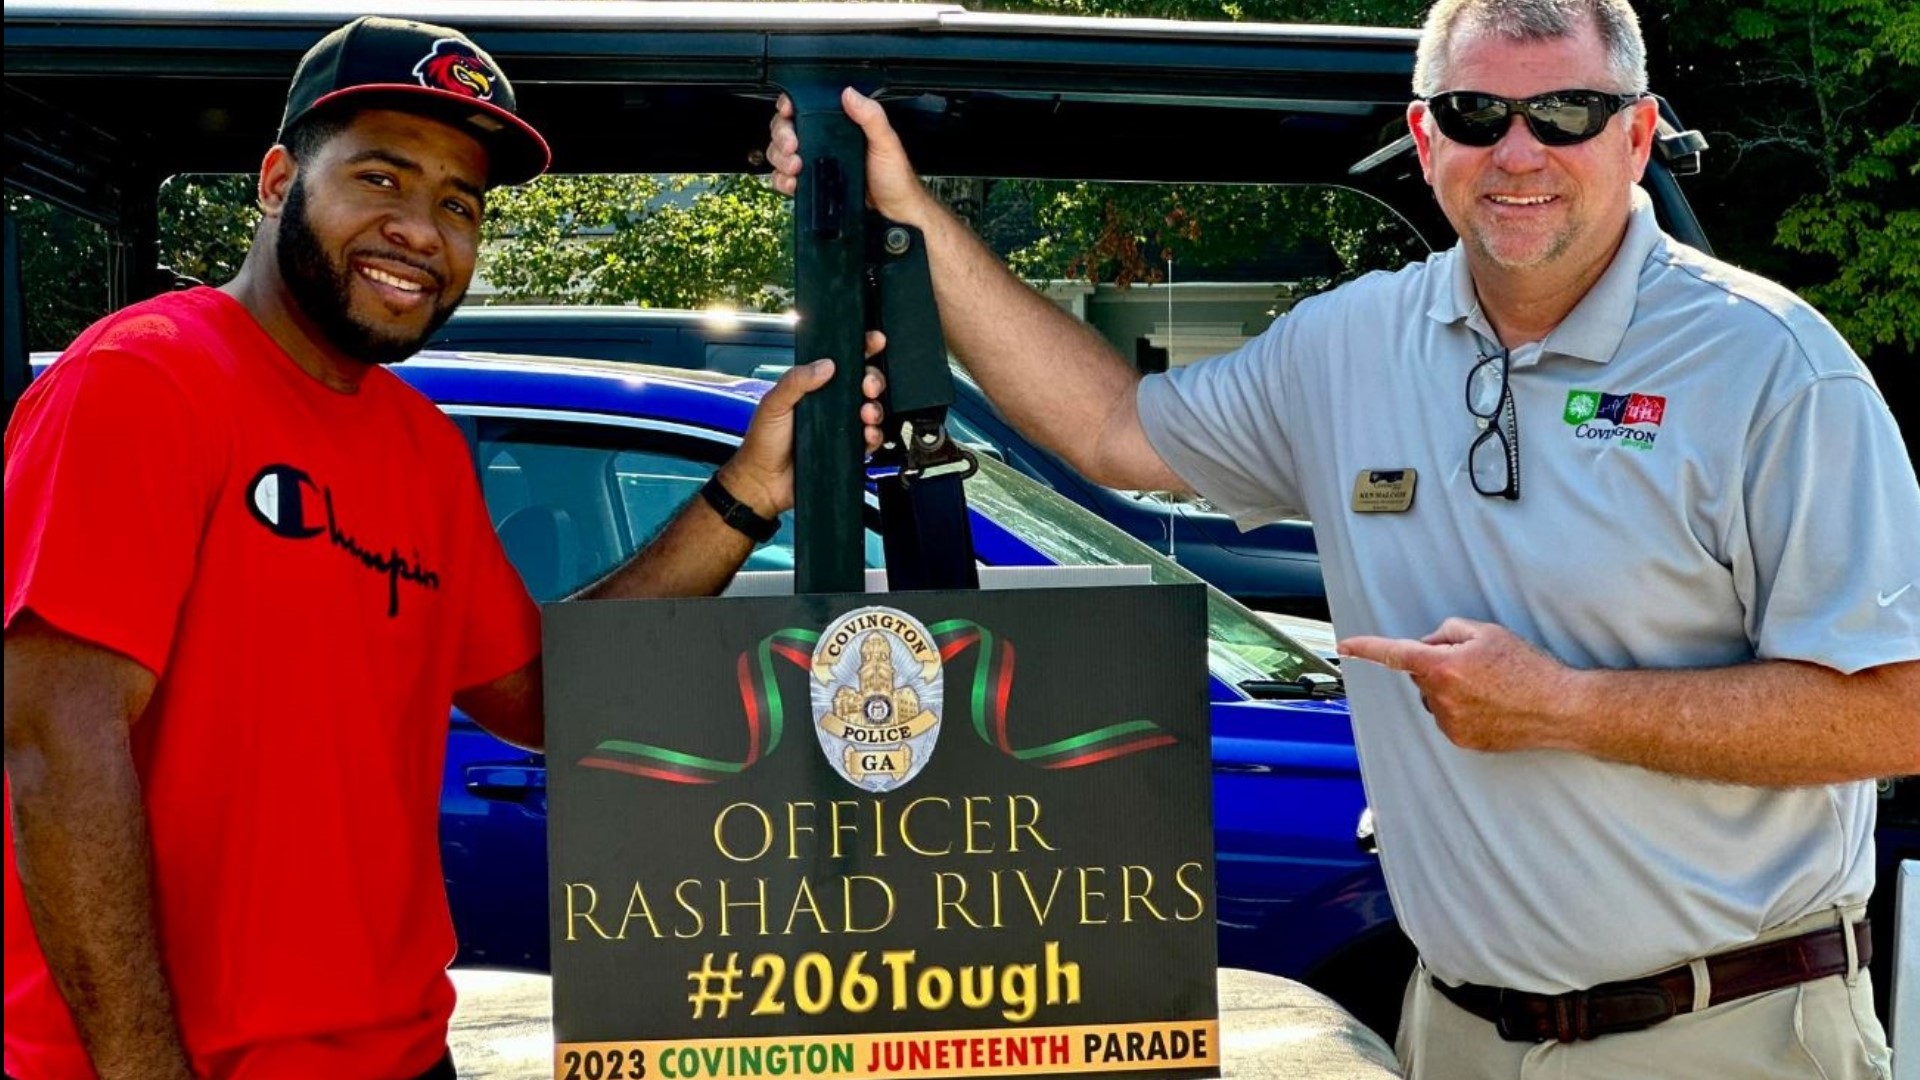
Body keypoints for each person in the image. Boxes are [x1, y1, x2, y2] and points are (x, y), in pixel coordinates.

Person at [764, 0, 1920, 1076]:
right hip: (1455, 1029)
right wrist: (911, 219)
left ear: (1636, 137)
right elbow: (1118, 430)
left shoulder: (1771, 367)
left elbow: (1896, 708)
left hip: (1724, 1033)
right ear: (1426, 139)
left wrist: (1565, 706)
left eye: (1565, 112)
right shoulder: (1356, 340)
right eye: (1477, 115)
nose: (1519, 154)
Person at [2, 16, 883, 1080]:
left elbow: (545, 698)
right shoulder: (144, 383)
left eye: (458, 203)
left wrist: (745, 491)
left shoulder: (418, 448)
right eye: (380, 177)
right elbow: (52, 746)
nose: (422, 230)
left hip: (402, 1052)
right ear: (279, 178)